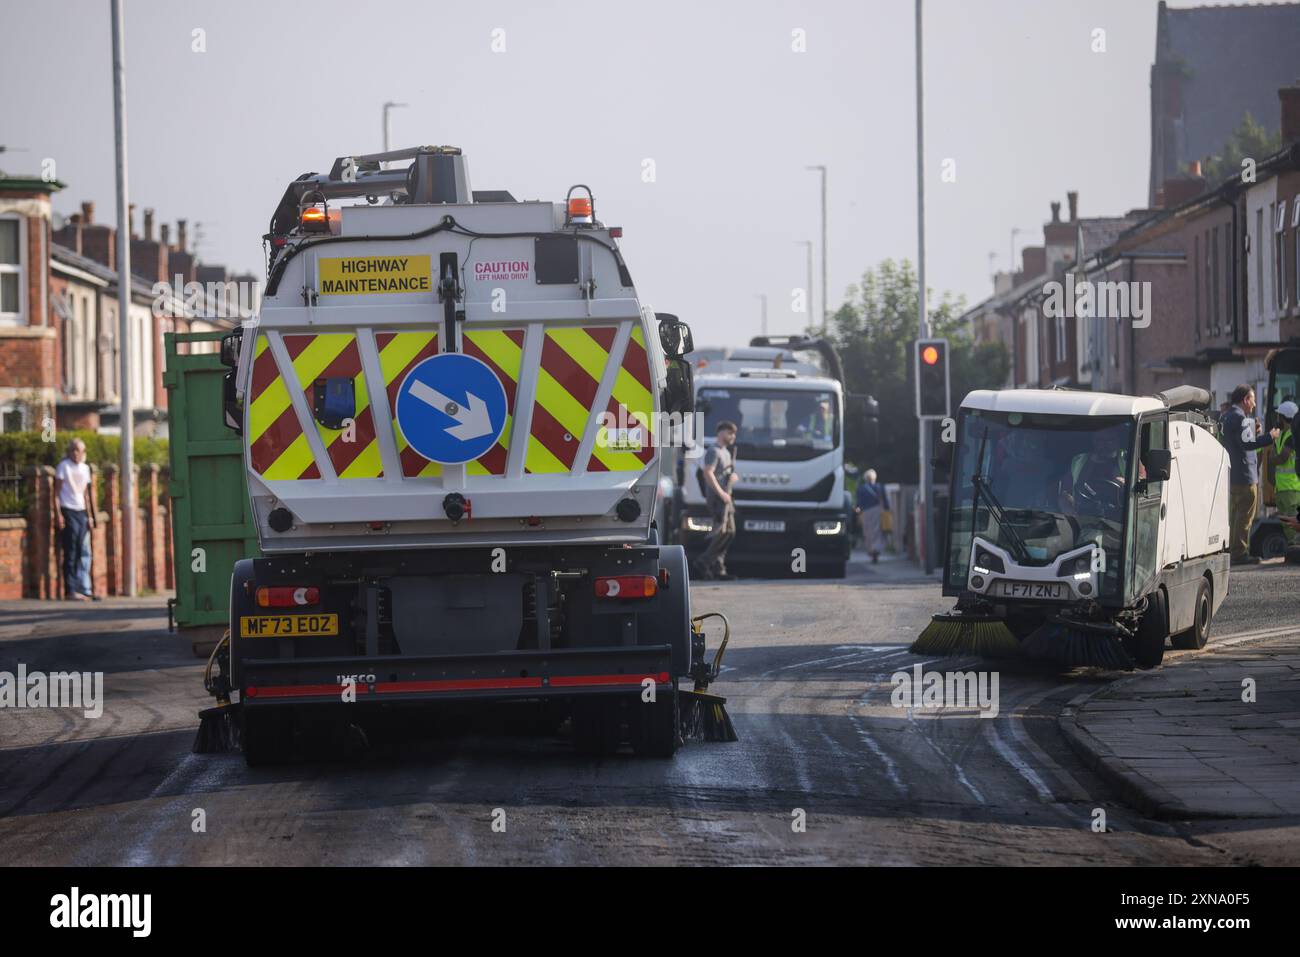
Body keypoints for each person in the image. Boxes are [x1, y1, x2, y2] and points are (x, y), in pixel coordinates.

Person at [1221, 384, 1279, 566]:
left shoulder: (1226, 416)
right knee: (1245, 516)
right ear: (1245, 399)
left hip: (1232, 475)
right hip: (1245, 477)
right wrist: (1270, 436)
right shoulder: (1240, 418)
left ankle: (1233, 550)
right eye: (1253, 399)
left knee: (1235, 516)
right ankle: (1240, 553)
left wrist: (1255, 432)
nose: (1254, 404)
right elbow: (1247, 444)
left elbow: (1241, 441)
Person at [53, 439, 99, 601]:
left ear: (84, 452)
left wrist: (90, 516)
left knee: (81, 551)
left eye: (79, 450)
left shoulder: (85, 468)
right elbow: (57, 493)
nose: (75, 453)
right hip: (68, 510)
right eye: (73, 450)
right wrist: (58, 514)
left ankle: (82, 589)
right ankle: (70, 590)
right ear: (68, 451)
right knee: (70, 551)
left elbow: (86, 494)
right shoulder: (63, 466)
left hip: (81, 512)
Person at [694, 421, 739, 580]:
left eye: (733, 433)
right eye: (730, 432)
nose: (733, 436)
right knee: (721, 532)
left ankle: (718, 568)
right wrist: (721, 494)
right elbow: (708, 473)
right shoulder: (714, 451)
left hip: (726, 497)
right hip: (718, 499)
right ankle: (705, 562)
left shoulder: (726, 452)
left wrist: (732, 479)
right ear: (721, 432)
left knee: (729, 532)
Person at [1271, 400, 1300, 552]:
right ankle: (1293, 549)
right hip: (1282, 488)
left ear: (1284, 417)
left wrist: (1272, 457)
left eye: (1279, 416)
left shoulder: (1291, 436)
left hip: (1291, 489)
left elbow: (1281, 458)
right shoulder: (1282, 434)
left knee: (1292, 523)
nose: (1277, 419)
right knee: (1286, 523)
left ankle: (1296, 550)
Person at [855, 468, 888, 562]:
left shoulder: (861, 488)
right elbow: (885, 501)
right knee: (877, 530)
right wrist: (887, 509)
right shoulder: (879, 487)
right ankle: (876, 549)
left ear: (865, 478)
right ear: (874, 478)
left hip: (865, 512)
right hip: (877, 510)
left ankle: (870, 549)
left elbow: (859, 502)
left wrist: (858, 509)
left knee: (867, 531)